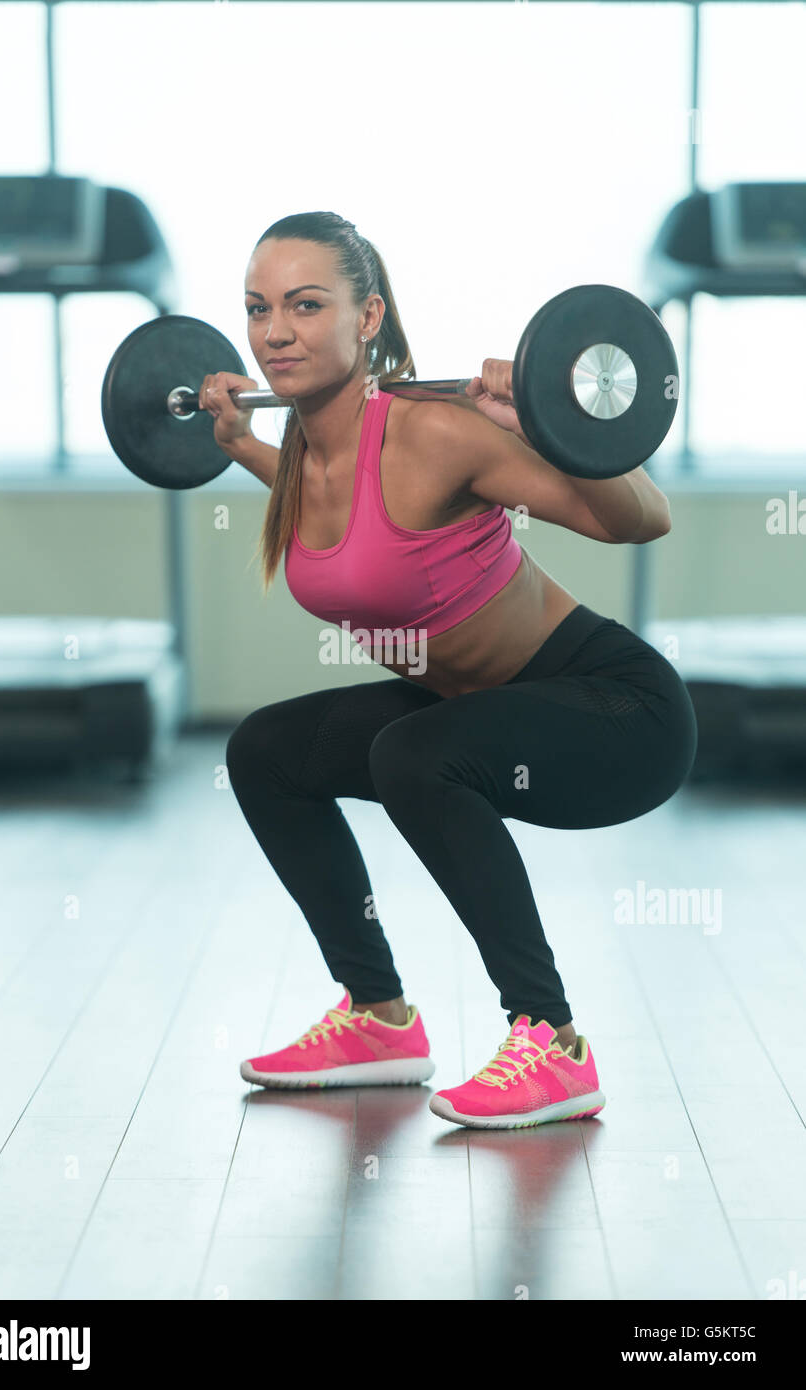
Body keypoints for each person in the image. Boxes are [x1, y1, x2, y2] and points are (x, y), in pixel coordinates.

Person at [202, 211, 698, 1130]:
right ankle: (377, 1018)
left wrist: (554, 427)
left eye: (306, 306)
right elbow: (349, 531)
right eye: (258, 309)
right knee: (265, 751)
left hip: (616, 711)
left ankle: (551, 1041)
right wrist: (236, 443)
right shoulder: (309, 452)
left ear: (368, 318)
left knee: (412, 751)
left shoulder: (435, 432)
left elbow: (640, 519)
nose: (274, 333)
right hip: (475, 713)